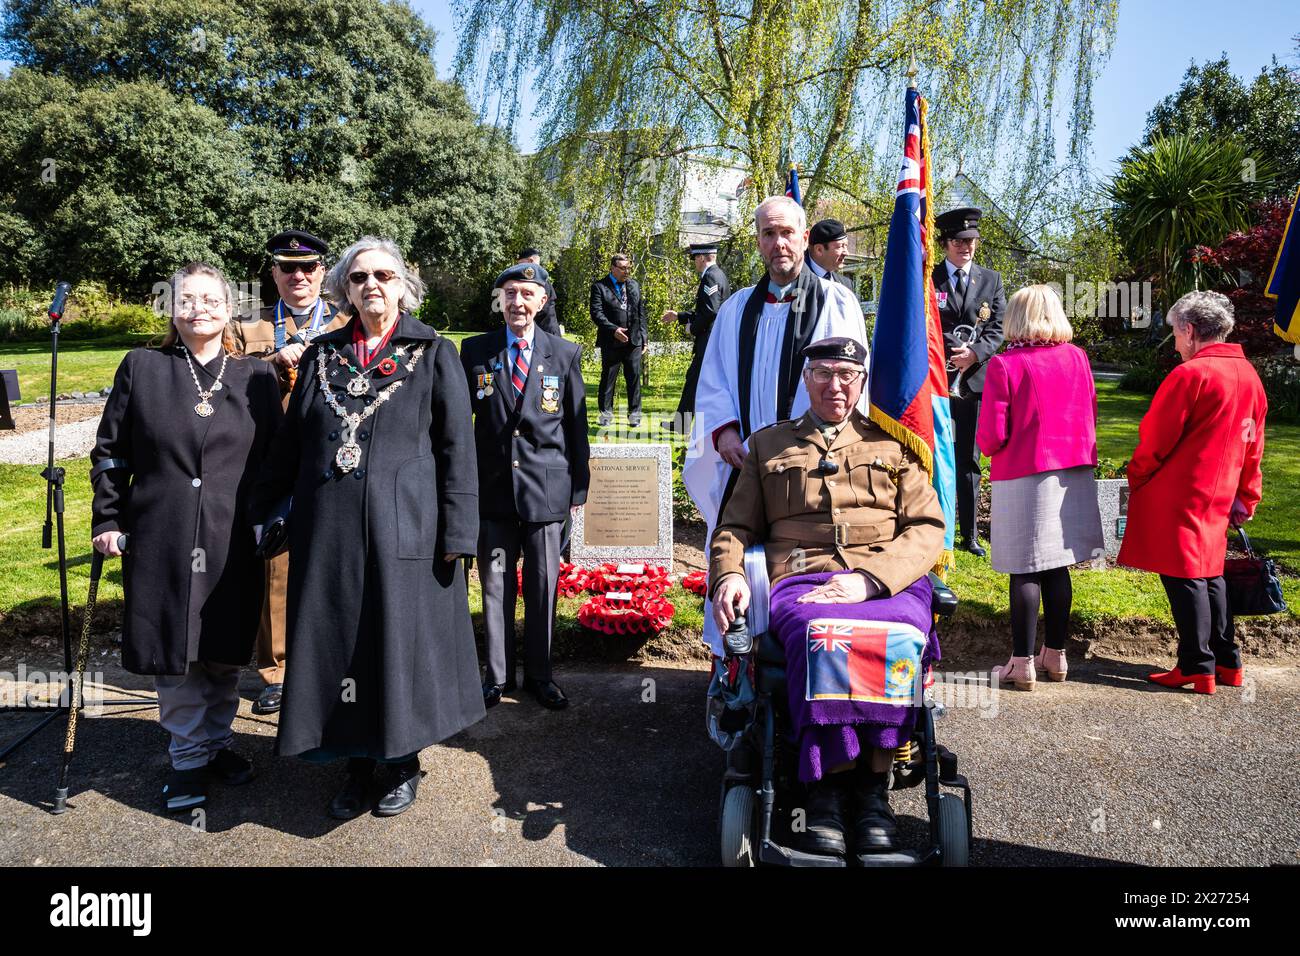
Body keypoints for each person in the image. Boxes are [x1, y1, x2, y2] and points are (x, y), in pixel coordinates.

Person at [251, 236, 483, 818]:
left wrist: (459, 532)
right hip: (327, 530)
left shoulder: (433, 352)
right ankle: (352, 762)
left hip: (407, 530)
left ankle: (401, 760)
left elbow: (458, 448)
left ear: (403, 284)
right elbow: (290, 444)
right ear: (343, 289)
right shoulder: (322, 354)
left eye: (383, 275)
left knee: (394, 645)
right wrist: (266, 507)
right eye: (358, 279)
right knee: (338, 646)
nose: (371, 286)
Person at [710, 336, 945, 857]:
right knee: (827, 636)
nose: (835, 385)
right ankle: (826, 794)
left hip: (886, 580)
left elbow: (927, 528)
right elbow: (734, 527)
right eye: (823, 374)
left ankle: (871, 793)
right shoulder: (768, 445)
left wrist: (871, 580)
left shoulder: (894, 445)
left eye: (846, 375)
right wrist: (728, 574)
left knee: (895, 636)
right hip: (801, 579)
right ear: (806, 379)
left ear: (861, 382)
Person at [91, 263, 283, 812]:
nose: (200, 307)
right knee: (177, 654)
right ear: (170, 308)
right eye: (187, 298)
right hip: (162, 534)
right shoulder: (143, 367)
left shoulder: (257, 377)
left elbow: (274, 461)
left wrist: (270, 518)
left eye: (211, 299)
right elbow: (111, 453)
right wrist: (107, 520)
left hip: (231, 540)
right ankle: (186, 760)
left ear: (231, 309)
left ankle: (217, 741)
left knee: (222, 652)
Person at [685, 194, 870, 655]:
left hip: (808, 466)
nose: (778, 243)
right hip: (745, 461)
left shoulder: (835, 301)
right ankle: (735, 671)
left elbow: (846, 387)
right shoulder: (736, 309)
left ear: (805, 239)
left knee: (801, 566)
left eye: (787, 232)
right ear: (758, 242)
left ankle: (797, 672)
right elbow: (715, 378)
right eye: (768, 233)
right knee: (735, 557)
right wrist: (724, 430)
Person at [1118, 291, 1267, 695]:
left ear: (1189, 329)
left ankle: (1196, 665)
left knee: (1184, 575)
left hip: (1180, 490)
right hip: (1220, 491)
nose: (1177, 344)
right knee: (1211, 573)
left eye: (1176, 334)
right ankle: (1226, 661)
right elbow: (1255, 444)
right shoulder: (1250, 376)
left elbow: (1155, 438)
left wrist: (1138, 475)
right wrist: (1247, 494)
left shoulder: (1190, 375)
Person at [461, 262, 590, 710]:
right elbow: (460, 425)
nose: (517, 302)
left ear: (542, 301)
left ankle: (541, 676)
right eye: (510, 293)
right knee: (495, 585)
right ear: (501, 302)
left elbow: (577, 429)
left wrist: (577, 492)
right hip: (492, 492)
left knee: (542, 586)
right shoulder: (475, 351)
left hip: (546, 493)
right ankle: (497, 678)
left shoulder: (565, 353)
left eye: (526, 293)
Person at [231, 229, 347, 716]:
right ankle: (275, 671)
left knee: (334, 564)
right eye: (286, 268)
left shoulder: (346, 318)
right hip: (268, 461)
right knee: (274, 567)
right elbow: (224, 378)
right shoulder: (247, 325)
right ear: (273, 273)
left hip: (331, 460)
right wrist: (271, 362)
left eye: (308, 268)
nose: (297, 276)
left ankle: (330, 664)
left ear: (323, 272)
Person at [976, 285, 1103, 690]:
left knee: (1024, 567)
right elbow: (1091, 411)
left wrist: (984, 446)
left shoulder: (1004, 365)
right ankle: (1057, 654)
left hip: (1023, 472)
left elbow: (992, 436)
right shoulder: (1078, 357)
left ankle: (1022, 662)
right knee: (1057, 564)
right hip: (1073, 470)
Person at [932, 206, 1006, 557]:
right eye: (959, 241)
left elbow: (998, 328)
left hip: (974, 382)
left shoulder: (991, 280)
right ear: (945, 243)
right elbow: (926, 324)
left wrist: (974, 353)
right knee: (936, 454)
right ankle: (936, 526)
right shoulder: (929, 279)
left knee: (969, 459)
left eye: (971, 241)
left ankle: (970, 533)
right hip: (937, 379)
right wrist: (952, 352)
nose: (967, 247)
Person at [659, 242, 731, 434]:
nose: (694, 264)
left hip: (708, 341)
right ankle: (685, 424)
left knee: (695, 381)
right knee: (699, 382)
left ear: (701, 257)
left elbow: (709, 312)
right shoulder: (717, 275)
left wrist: (692, 329)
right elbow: (705, 310)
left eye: (694, 259)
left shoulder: (710, 277)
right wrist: (680, 316)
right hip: (713, 341)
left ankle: (685, 425)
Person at [590, 252, 646, 427]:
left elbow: (641, 312)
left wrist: (644, 337)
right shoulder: (600, 286)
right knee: (608, 379)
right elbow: (596, 313)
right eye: (622, 268)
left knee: (634, 379)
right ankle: (606, 415)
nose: (626, 271)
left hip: (633, 341)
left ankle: (634, 415)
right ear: (612, 268)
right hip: (611, 342)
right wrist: (613, 330)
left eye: (628, 268)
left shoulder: (634, 285)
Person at [516, 247, 561, 336]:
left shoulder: (540, 282)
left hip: (547, 333)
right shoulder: (539, 279)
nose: (519, 268)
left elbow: (541, 309)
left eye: (521, 264)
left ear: (530, 261)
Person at [806, 218, 854, 290]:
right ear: (819, 250)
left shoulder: (845, 285)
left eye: (846, 245)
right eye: (840, 246)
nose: (846, 253)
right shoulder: (794, 279)